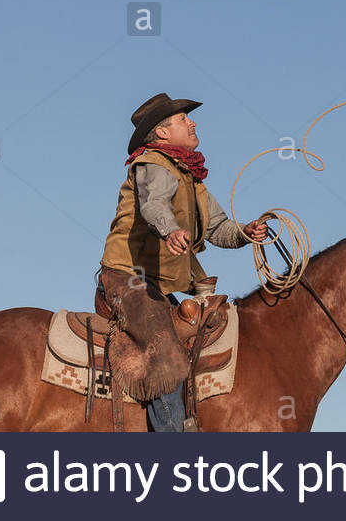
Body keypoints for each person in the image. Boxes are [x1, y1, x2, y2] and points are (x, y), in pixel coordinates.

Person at [97, 93, 268, 431]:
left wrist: (246, 232)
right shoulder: (153, 164)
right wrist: (171, 230)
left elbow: (218, 227)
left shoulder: (190, 177)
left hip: (156, 287)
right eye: (183, 119)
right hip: (127, 278)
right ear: (161, 133)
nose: (193, 122)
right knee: (166, 353)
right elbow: (154, 206)